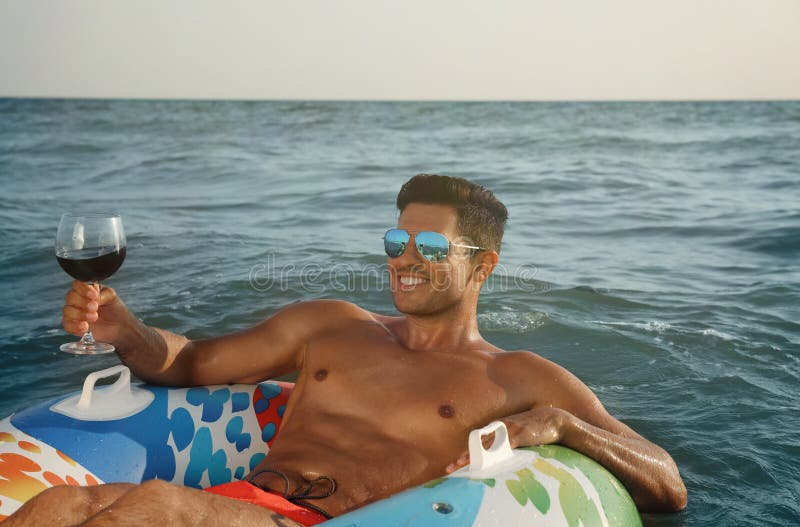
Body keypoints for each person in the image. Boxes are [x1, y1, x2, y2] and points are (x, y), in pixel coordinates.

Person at [7, 174, 687, 527]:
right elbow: (187, 362)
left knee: (156, 505)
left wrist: (563, 424)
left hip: (321, 519)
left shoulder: (516, 376)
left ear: (483, 268)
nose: (405, 260)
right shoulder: (330, 325)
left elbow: (667, 483)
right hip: (238, 501)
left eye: (429, 248)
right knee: (56, 507)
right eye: (397, 244)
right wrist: (128, 329)